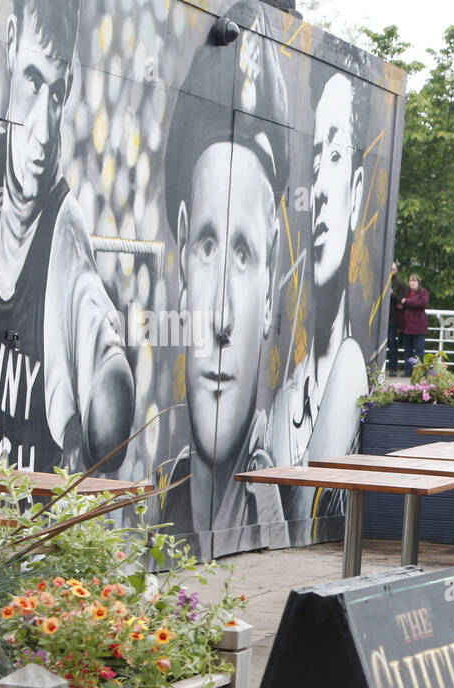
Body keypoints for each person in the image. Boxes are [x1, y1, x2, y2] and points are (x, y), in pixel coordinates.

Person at [0, 0, 134, 474]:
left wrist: (105, 365)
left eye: (57, 94)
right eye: (34, 81)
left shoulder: (63, 230)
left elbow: (90, 316)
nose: (44, 130)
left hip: (19, 539)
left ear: (70, 88)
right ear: (10, 44)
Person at [159, 0, 289, 554]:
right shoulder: (164, 503)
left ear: (272, 276)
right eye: (210, 246)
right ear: (184, 254)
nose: (221, 320)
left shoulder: (272, 520)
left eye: (244, 253)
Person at [271, 60, 371, 522]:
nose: (321, 191)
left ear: (354, 193)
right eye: (315, 163)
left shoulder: (354, 375)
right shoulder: (285, 404)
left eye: (334, 157)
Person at [399, 274, 429, 372]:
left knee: (419, 351)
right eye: (411, 280)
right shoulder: (406, 293)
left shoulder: (423, 292)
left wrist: (407, 301)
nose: (412, 282)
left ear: (418, 282)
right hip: (407, 327)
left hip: (419, 327)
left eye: (414, 280)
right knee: (408, 351)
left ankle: (420, 372)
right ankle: (408, 372)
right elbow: (401, 304)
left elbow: (422, 303)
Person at [386, 263, 408, 376]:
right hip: (378, 319)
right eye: (390, 268)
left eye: (393, 269)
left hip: (392, 319)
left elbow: (401, 302)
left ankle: (393, 369)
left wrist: (391, 294)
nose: (391, 270)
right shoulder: (380, 280)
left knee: (391, 343)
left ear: (396, 270)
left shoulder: (399, 283)